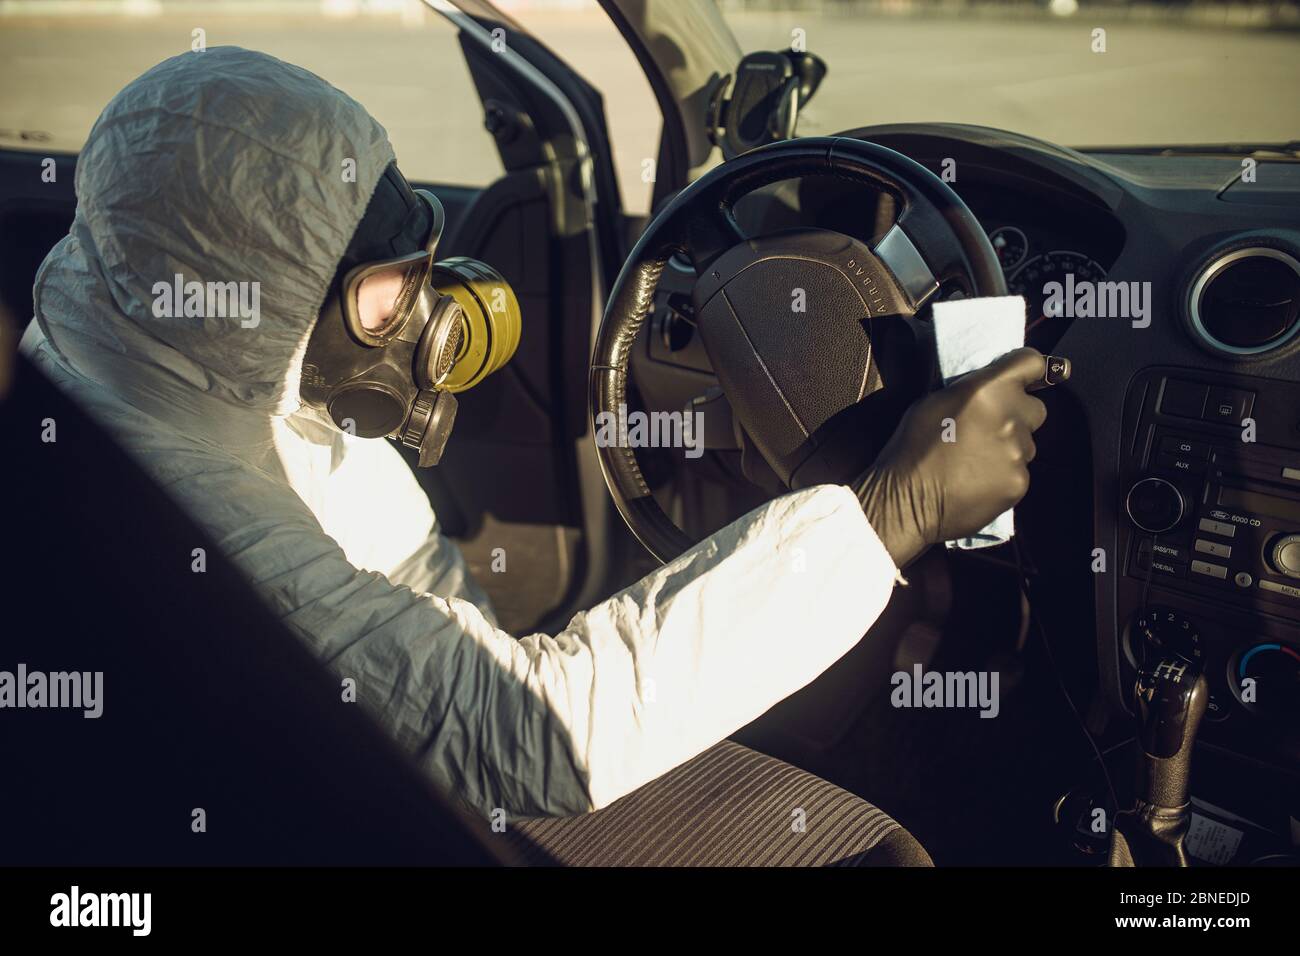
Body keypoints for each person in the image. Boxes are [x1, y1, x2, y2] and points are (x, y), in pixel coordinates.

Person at [21, 48, 1047, 864]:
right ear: (268, 305)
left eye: (424, 256)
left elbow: (415, 602)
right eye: (388, 289)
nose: (427, 311)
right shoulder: (191, 512)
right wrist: (891, 512)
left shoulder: (183, 355)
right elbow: (524, 736)